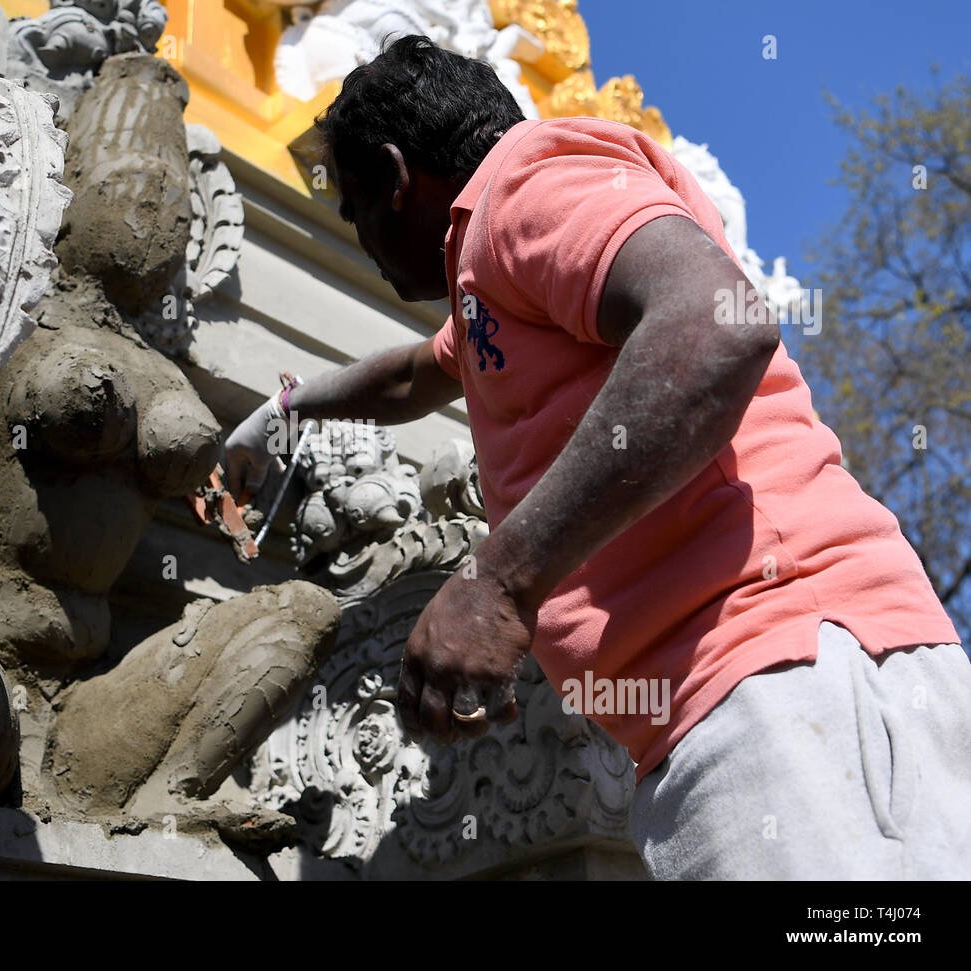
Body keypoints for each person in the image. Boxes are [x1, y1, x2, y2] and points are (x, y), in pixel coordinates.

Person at [223, 35, 970, 879]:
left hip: (787, 670)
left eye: (356, 210)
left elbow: (717, 324)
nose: (359, 238)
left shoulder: (526, 181)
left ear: (396, 177)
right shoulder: (488, 280)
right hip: (744, 697)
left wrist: (500, 580)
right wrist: (286, 407)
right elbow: (409, 378)